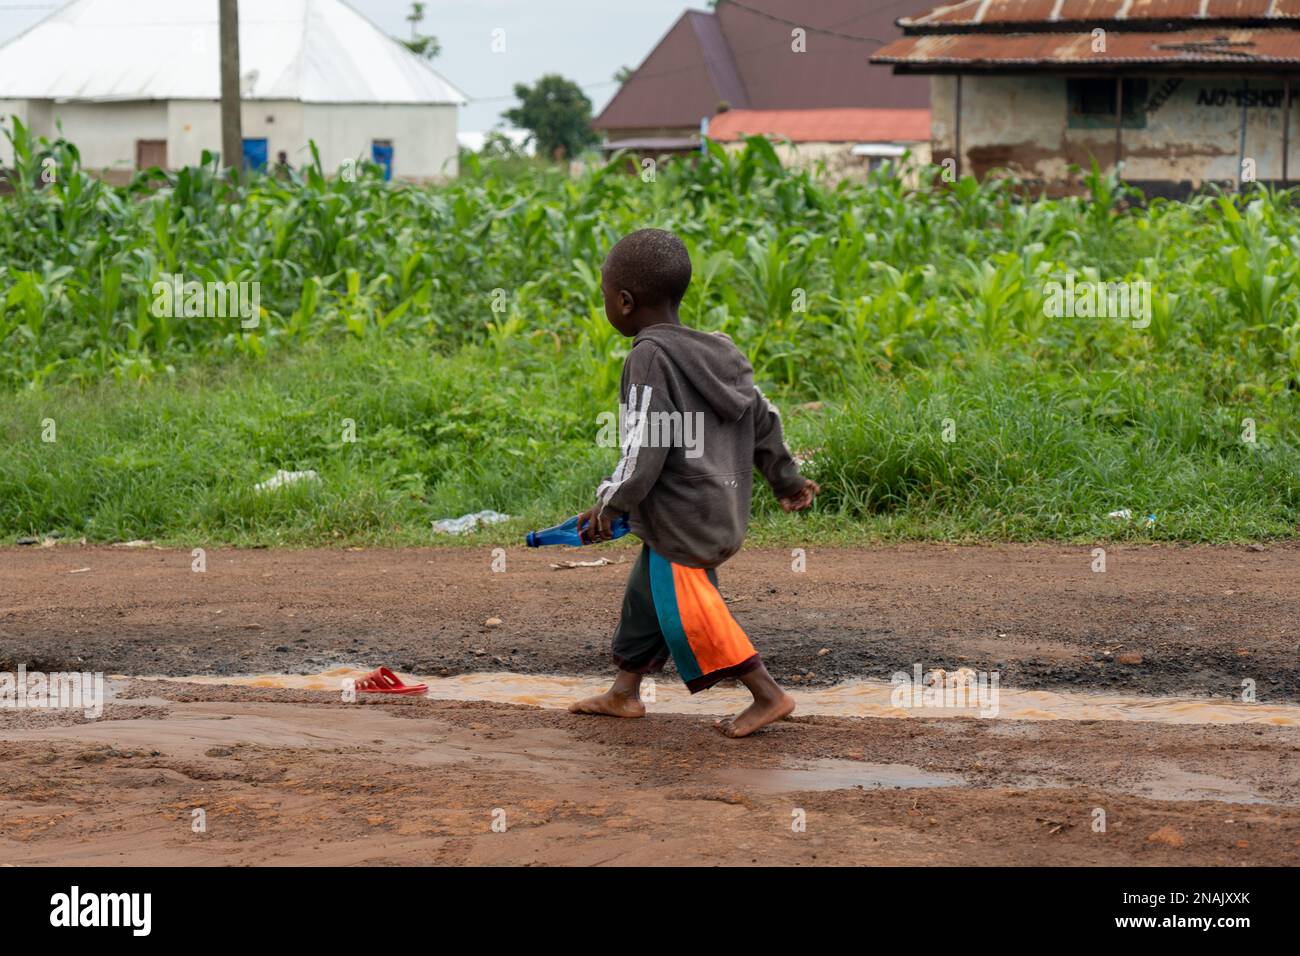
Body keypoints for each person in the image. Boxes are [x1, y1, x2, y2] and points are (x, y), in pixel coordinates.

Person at [570, 228, 819, 738]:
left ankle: (767, 693)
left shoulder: (649, 356)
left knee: (692, 608)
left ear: (623, 301)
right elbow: (764, 418)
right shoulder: (721, 352)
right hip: (719, 509)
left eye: (604, 298)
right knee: (649, 594)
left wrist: (611, 504)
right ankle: (624, 692)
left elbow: (643, 445)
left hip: (681, 515)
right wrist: (785, 479)